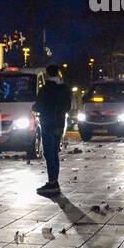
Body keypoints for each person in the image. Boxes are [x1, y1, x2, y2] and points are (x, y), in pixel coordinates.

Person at [33, 63, 72, 194]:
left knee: (49, 153)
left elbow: (38, 106)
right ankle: (54, 180)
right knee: (54, 152)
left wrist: (36, 108)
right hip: (59, 124)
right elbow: (68, 106)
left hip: (48, 123)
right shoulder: (65, 88)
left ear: (47, 74)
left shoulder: (46, 89)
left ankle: (52, 182)